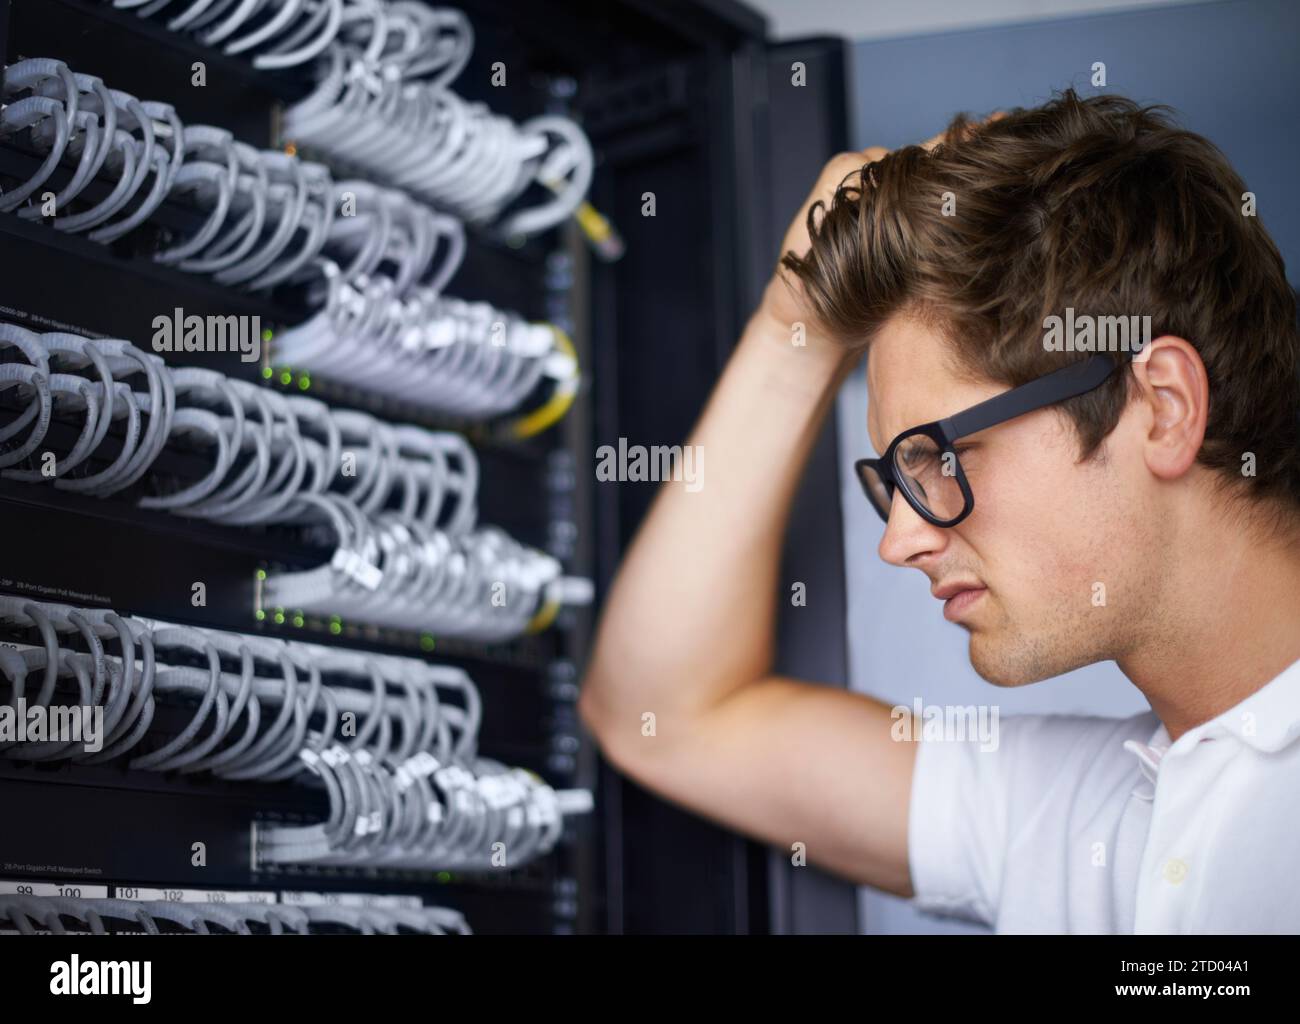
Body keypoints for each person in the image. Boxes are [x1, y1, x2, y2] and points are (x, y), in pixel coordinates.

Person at [576, 89, 1300, 933]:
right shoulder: (1075, 810)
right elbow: (661, 716)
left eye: (940, 457)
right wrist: (793, 329)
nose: (900, 541)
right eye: (895, 475)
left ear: (1163, 407)